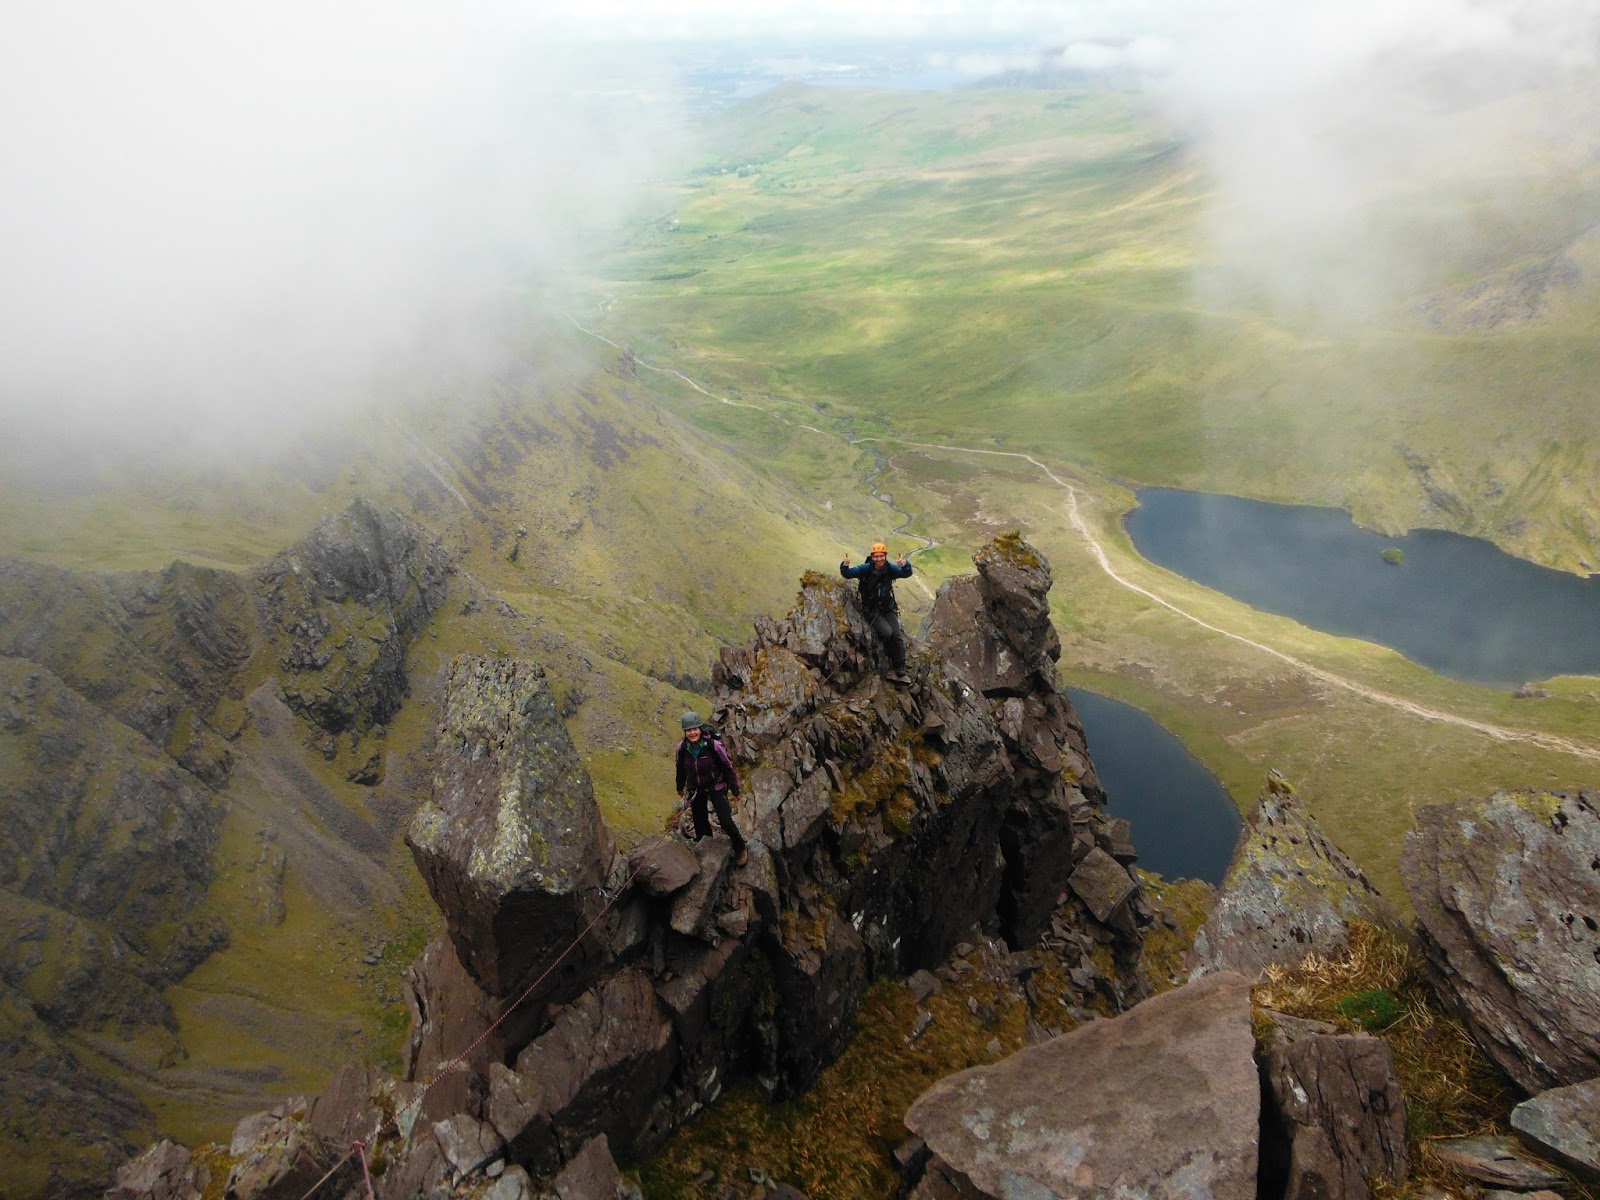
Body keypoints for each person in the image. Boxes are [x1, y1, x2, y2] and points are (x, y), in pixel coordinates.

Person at [674, 711, 748, 866]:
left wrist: (735, 790)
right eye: (689, 730)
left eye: (695, 729)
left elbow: (727, 767)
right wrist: (680, 787)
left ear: (700, 729)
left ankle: (740, 847)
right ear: (685, 732)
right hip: (696, 788)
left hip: (716, 785)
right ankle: (707, 851)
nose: (692, 733)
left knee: (726, 821)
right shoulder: (682, 749)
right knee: (700, 823)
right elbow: (680, 769)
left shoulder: (714, 746)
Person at [840, 542, 913, 683]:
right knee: (887, 632)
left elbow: (907, 573)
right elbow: (848, 574)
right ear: (872, 557)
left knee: (897, 634)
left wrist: (905, 565)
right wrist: (844, 565)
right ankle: (889, 654)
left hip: (887, 607)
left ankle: (900, 665)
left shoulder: (891, 568)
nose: (879, 559)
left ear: (885, 556)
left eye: (881, 556)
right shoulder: (866, 569)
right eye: (876, 556)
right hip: (872, 609)